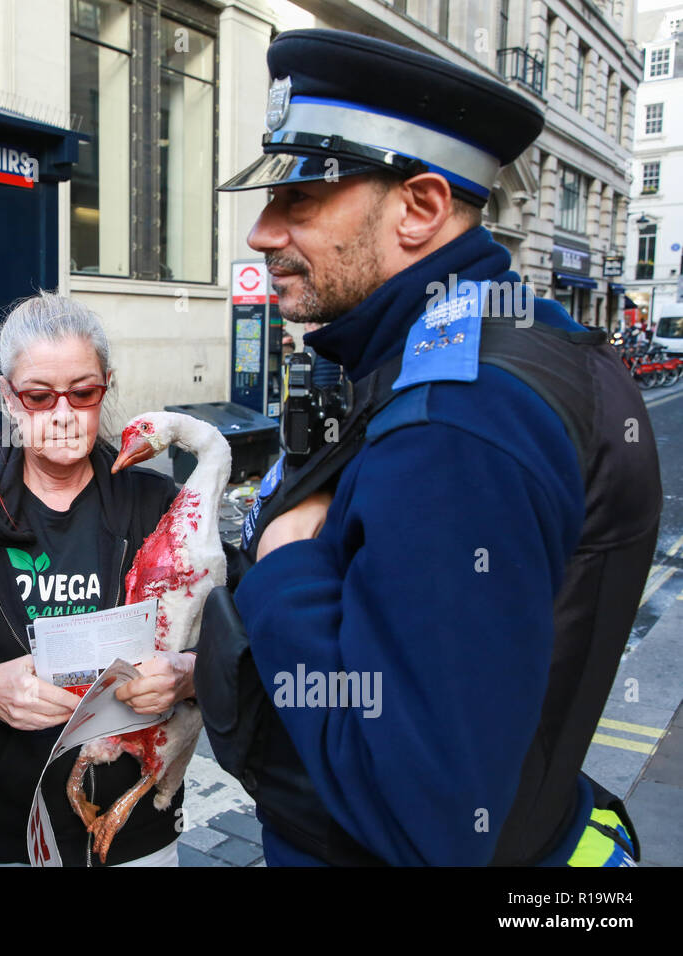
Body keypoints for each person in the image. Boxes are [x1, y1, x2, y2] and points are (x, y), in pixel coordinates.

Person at [198, 28, 661, 867]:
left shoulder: (456, 412)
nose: (263, 233)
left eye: (300, 199)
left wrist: (283, 565)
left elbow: (425, 814)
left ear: (419, 208)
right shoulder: (507, 338)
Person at [0, 292, 194, 867]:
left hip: (129, 826)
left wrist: (187, 674)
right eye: (38, 396)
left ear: (106, 386)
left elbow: (232, 630)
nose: (62, 414)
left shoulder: (158, 501)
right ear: (7, 399)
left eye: (83, 393)